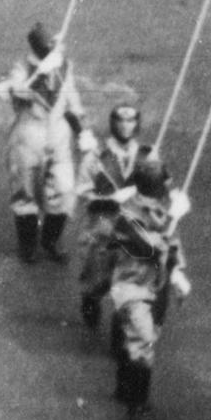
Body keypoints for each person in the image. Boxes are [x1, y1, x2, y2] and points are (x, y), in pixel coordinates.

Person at [104, 151, 190, 420]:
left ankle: (124, 383)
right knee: (143, 341)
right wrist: (173, 217)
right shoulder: (128, 214)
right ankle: (137, 406)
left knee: (142, 337)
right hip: (132, 286)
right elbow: (152, 246)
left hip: (157, 285)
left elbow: (172, 245)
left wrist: (177, 274)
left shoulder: (160, 208)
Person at [2, 21, 84, 259]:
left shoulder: (64, 66)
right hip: (29, 134)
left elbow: (71, 99)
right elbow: (17, 91)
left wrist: (82, 130)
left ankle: (51, 240)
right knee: (25, 190)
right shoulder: (22, 67)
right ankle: (27, 245)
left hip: (58, 135)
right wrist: (39, 74)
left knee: (64, 189)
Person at [76, 97, 150, 338]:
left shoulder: (147, 156)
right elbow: (83, 193)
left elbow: (158, 188)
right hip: (103, 225)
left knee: (130, 283)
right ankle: (90, 300)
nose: (125, 125)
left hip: (134, 227)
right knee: (97, 279)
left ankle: (123, 331)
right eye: (121, 119)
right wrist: (111, 199)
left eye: (131, 120)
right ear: (112, 122)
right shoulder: (97, 156)